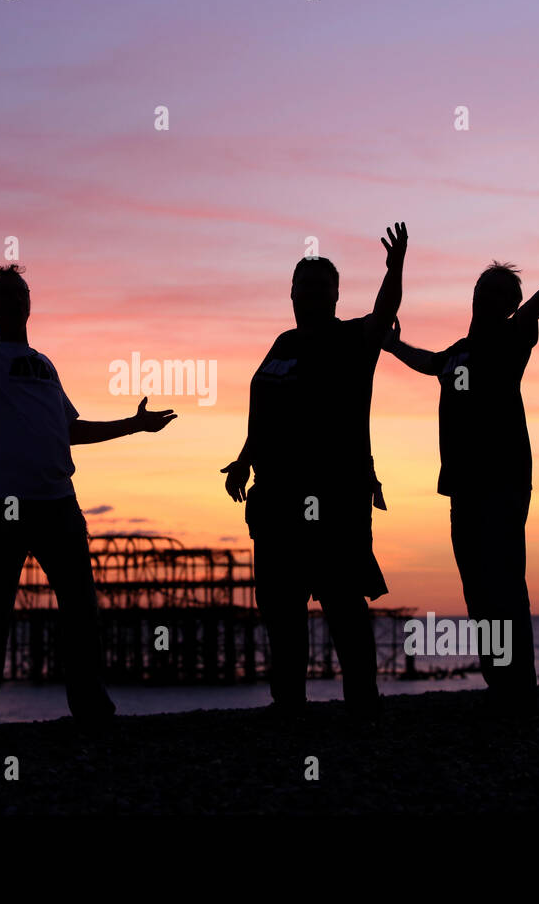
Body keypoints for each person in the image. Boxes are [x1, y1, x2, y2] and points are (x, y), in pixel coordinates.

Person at [0, 223, 176, 729]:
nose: (12, 301)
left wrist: (134, 425)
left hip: (60, 503)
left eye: (19, 294)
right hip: (2, 505)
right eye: (3, 296)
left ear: (29, 305)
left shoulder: (45, 364)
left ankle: (91, 710)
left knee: (81, 611)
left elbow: (71, 430)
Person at [383, 228, 539, 715]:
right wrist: (393, 347)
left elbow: (538, 306)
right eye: (486, 292)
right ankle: (501, 687)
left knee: (505, 585)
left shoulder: (513, 338)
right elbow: (430, 362)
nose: (492, 301)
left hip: (504, 482)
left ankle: (521, 691)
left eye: (503, 297)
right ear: (474, 297)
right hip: (462, 487)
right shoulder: (458, 351)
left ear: (510, 306)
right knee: (476, 589)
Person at [221, 223, 408, 721]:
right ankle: (289, 708)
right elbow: (263, 412)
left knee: (344, 607)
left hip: (335, 499)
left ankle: (363, 709)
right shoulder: (282, 344)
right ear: (292, 292)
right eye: (305, 283)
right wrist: (243, 458)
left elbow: (384, 314)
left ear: (336, 295)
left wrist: (395, 270)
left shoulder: (351, 339)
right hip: (275, 500)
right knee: (283, 614)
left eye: (323, 285)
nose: (313, 292)